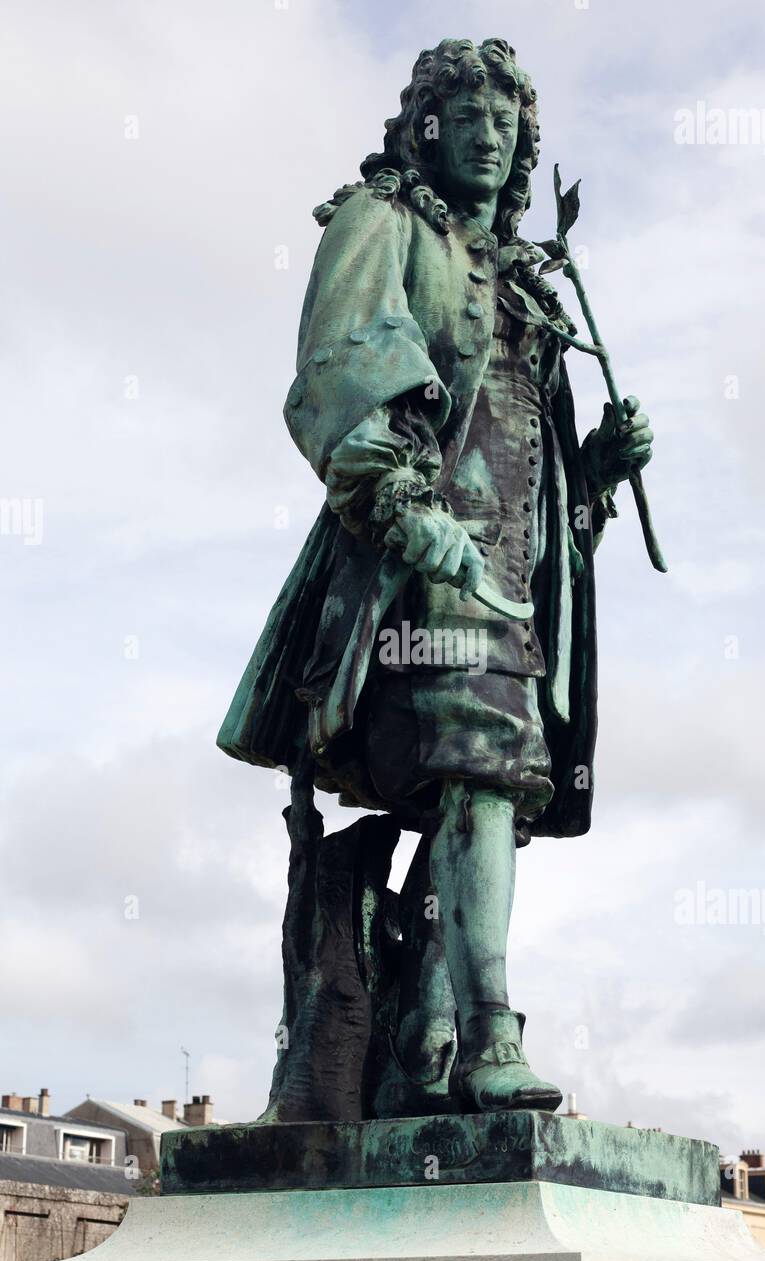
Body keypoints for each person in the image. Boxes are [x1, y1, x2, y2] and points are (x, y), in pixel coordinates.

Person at [219, 38, 653, 1113]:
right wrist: (411, 518)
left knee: (495, 792)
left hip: (509, 576)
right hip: (411, 577)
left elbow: (526, 467)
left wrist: (590, 471)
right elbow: (340, 375)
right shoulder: (380, 225)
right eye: (468, 117)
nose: (492, 137)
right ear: (425, 128)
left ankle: (429, 1032)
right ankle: (485, 1042)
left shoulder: (525, 284)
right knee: (479, 771)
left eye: (507, 124)